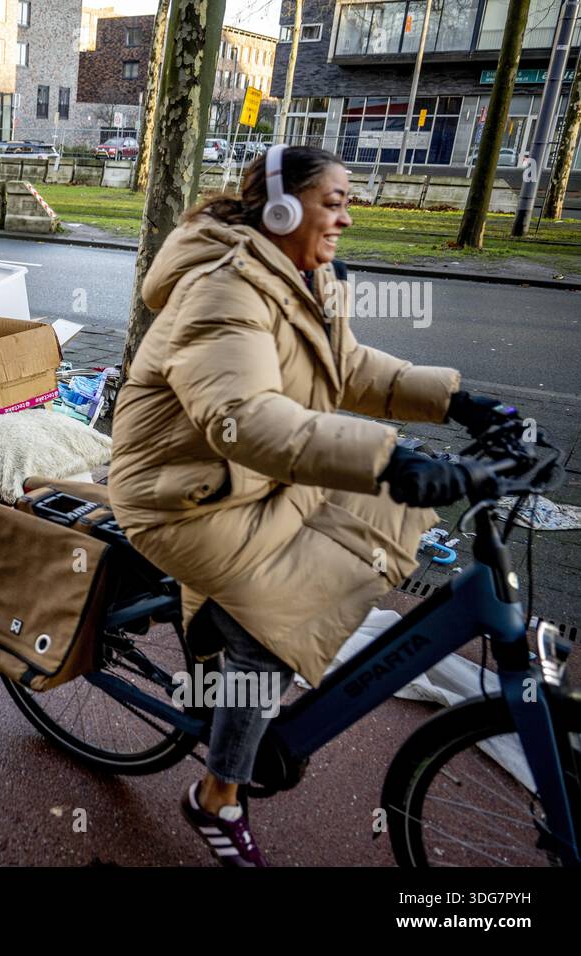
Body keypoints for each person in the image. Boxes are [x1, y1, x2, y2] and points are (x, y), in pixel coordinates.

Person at [108, 145, 516, 867]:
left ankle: (229, 642)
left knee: (375, 516)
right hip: (185, 494)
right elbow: (245, 418)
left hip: (252, 479)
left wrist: (460, 402)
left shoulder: (310, 277)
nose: (347, 216)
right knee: (273, 626)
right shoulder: (222, 288)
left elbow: (348, 369)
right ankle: (217, 798)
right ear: (282, 208)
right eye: (334, 201)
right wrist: (393, 457)